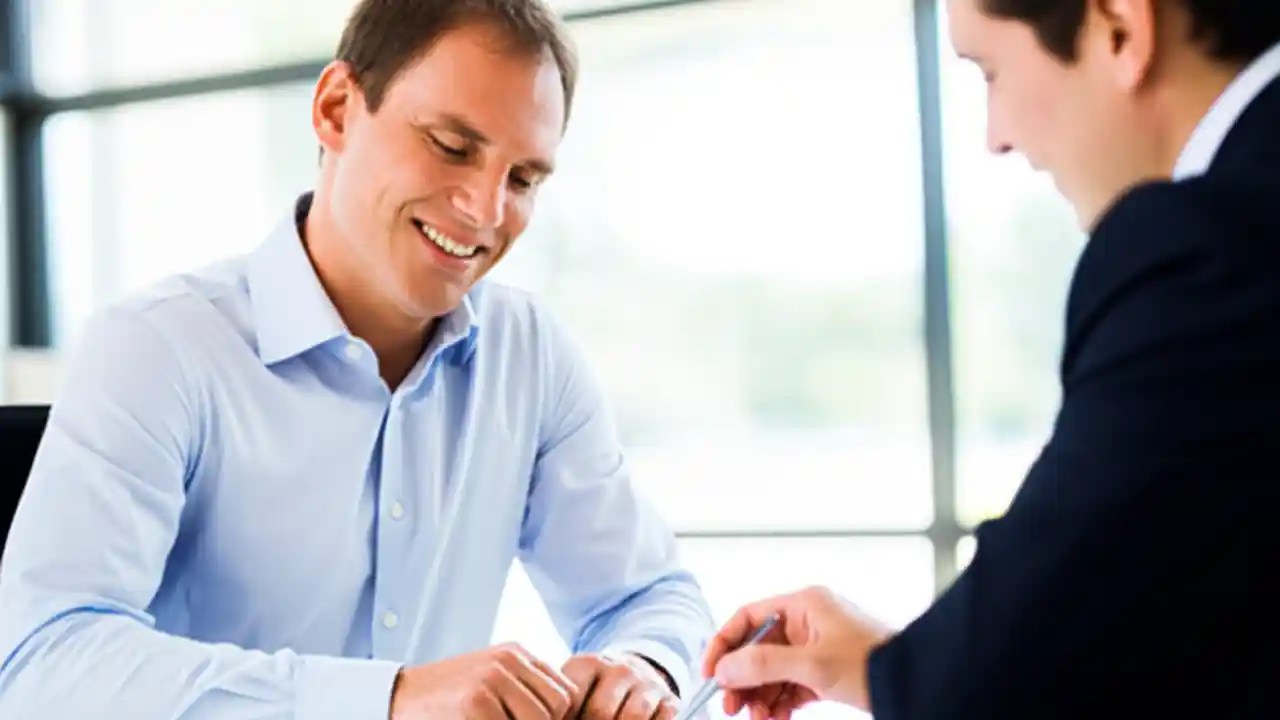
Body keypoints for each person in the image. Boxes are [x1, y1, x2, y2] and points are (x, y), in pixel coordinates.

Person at [0, 2, 713, 718]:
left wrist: (643, 667)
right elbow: (45, 666)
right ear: (336, 109)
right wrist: (391, 698)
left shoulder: (531, 358)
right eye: (452, 146)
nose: (486, 210)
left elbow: (648, 597)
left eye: (523, 179)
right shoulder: (157, 349)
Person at [703, 1, 1280, 718]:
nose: (995, 137)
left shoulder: (1206, 249)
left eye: (991, 72)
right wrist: (902, 665)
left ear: (1121, 27)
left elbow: (1005, 673)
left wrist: (924, 673)